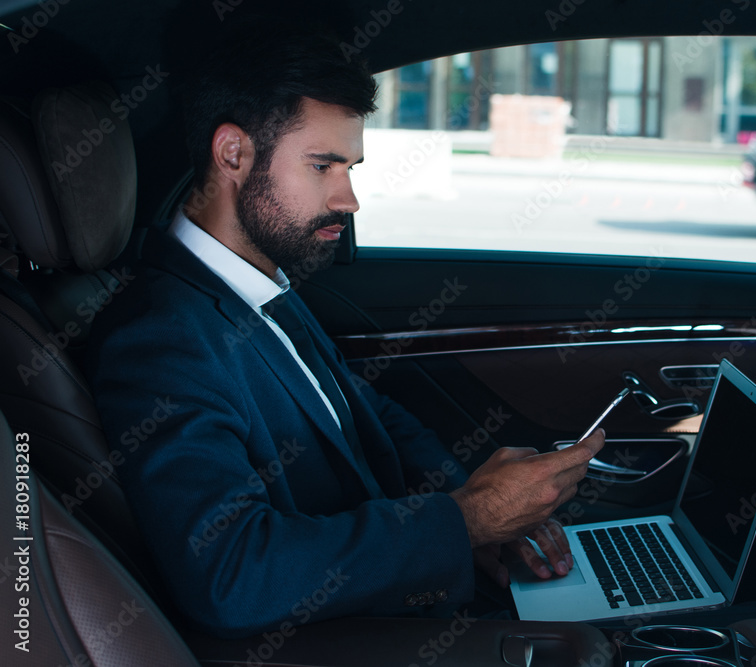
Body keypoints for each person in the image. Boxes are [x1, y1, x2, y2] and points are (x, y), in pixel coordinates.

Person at [85, 19, 604, 638]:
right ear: (233, 153)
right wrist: (463, 521)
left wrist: (482, 516)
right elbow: (232, 576)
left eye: (350, 167)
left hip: (407, 594)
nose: (349, 198)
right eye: (323, 166)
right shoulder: (159, 342)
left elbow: (367, 414)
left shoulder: (258, 283)